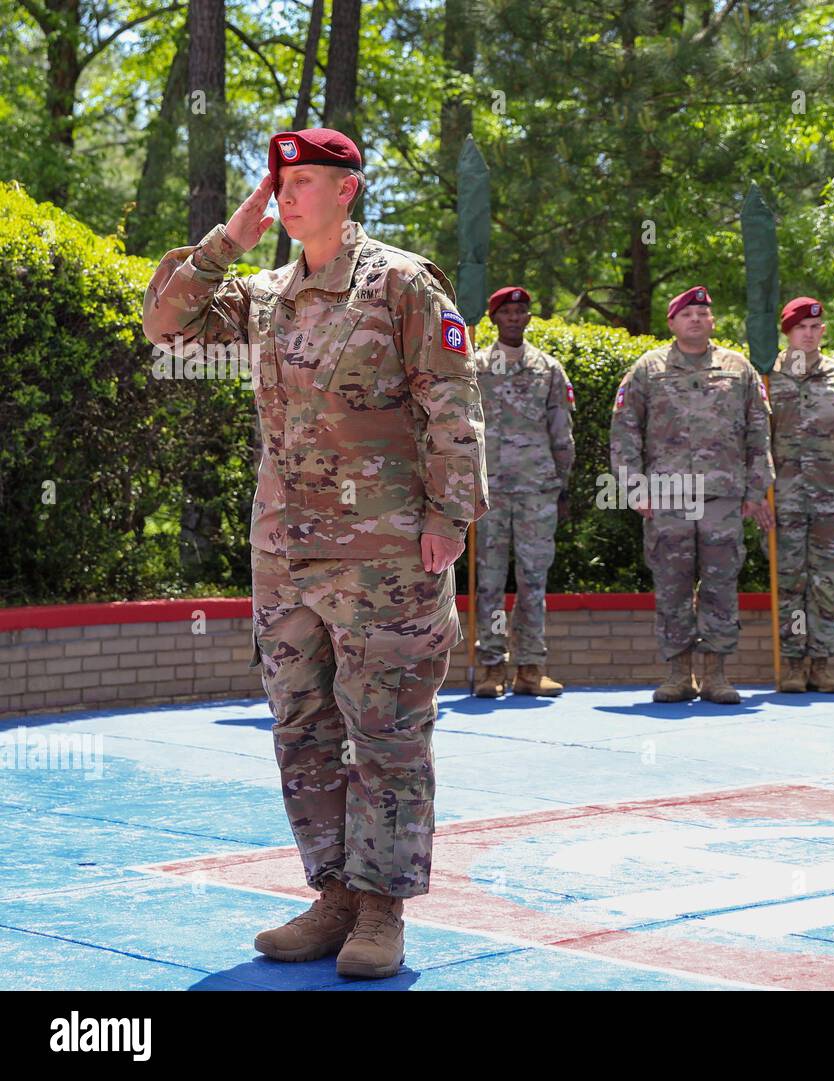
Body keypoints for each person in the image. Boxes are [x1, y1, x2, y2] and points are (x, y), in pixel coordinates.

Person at [141, 127, 487, 979]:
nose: (286, 196)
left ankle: (382, 909)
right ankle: (331, 895)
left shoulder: (403, 284)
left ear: (349, 191)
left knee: (388, 732)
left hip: (387, 556)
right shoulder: (264, 294)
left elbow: (453, 403)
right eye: (280, 183)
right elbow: (165, 325)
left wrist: (452, 514)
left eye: (304, 182)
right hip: (285, 555)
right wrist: (226, 242)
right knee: (302, 728)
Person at [609, 285, 775, 703]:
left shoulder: (738, 368)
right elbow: (625, 431)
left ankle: (716, 675)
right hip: (667, 496)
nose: (696, 319)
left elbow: (759, 432)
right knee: (672, 586)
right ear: (672, 323)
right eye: (687, 314)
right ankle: (678, 675)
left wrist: (757, 491)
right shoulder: (648, 369)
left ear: (712, 321)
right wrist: (634, 487)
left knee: (721, 586)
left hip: (722, 497)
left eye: (703, 313)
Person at [768, 297, 834, 693]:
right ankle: (793, 665)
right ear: (787, 332)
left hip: (833, 496)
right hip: (784, 497)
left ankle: (820, 665)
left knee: (827, 583)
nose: (809, 334)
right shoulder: (767, 377)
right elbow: (753, 438)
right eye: (802, 328)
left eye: (816, 328)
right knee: (789, 582)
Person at [472, 286, 575, 698]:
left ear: (529, 319)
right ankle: (491, 668)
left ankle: (531, 668)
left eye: (521, 311)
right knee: (490, 582)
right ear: (494, 318)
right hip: (490, 492)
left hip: (536, 491)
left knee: (534, 581)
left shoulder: (549, 369)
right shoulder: (475, 368)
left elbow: (561, 433)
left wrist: (563, 486)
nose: (515, 317)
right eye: (507, 312)